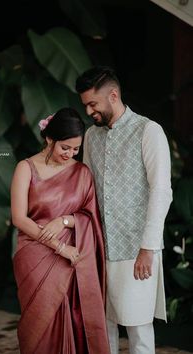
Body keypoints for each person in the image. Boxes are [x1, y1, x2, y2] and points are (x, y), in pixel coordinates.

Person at [76, 66, 173, 354]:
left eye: (93, 104)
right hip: (101, 247)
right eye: (85, 106)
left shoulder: (148, 130)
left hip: (136, 249)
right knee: (102, 325)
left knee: (138, 326)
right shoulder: (92, 137)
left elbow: (161, 191)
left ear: (113, 96)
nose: (89, 111)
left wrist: (148, 247)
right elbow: (88, 188)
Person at [11, 107, 110, 354]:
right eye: (65, 147)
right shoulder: (26, 168)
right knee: (39, 327)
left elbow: (91, 217)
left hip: (75, 257)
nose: (70, 154)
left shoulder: (82, 173)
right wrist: (60, 247)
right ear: (49, 138)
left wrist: (65, 221)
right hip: (35, 255)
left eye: (76, 149)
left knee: (73, 318)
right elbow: (19, 218)